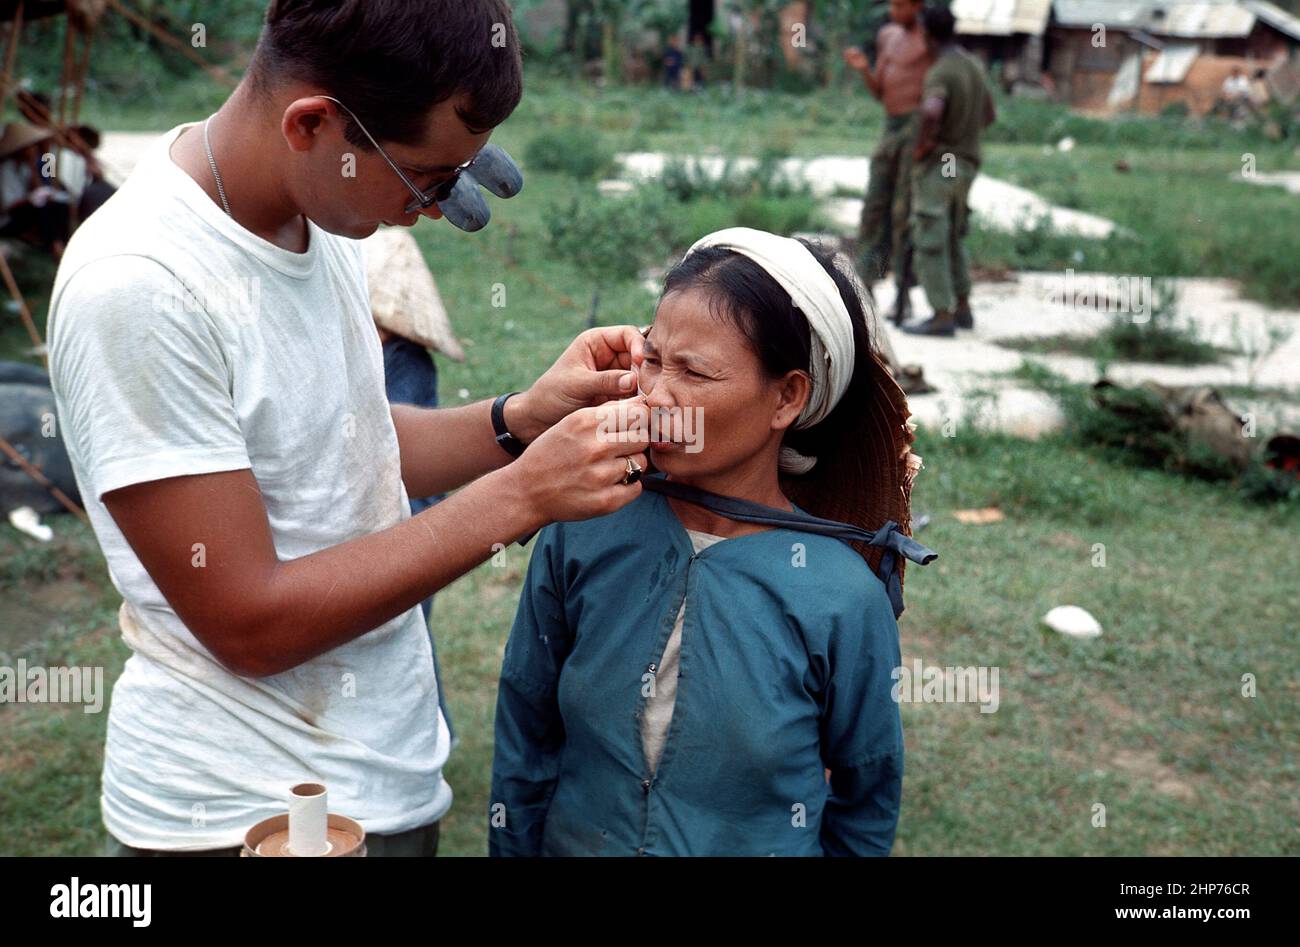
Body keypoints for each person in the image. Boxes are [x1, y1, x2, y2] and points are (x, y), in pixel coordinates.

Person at [46, 0, 651, 857]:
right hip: (244, 816)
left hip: (381, 778)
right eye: (427, 179)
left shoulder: (313, 210)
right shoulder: (142, 287)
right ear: (315, 124)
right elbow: (248, 620)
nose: (439, 208)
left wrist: (520, 419)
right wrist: (521, 497)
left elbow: (345, 445)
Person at [490, 228, 931, 856]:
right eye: (652, 358)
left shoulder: (843, 599)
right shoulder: (580, 528)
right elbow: (526, 732)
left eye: (694, 371)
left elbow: (866, 800)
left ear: (787, 397)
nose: (657, 394)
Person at [902, 5, 995, 338]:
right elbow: (989, 115)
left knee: (931, 237)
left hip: (942, 164)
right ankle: (963, 306)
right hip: (965, 164)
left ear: (927, 34)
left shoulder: (941, 71)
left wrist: (924, 145)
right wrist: (964, 133)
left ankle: (941, 313)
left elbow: (931, 111)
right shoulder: (973, 66)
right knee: (954, 235)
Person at [842, 0, 931, 326]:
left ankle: (903, 291)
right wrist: (864, 68)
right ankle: (864, 287)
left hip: (916, 128)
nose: (893, 10)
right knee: (873, 207)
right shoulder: (888, 36)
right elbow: (881, 91)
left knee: (903, 213)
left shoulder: (930, 40)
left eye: (900, 4)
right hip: (890, 126)